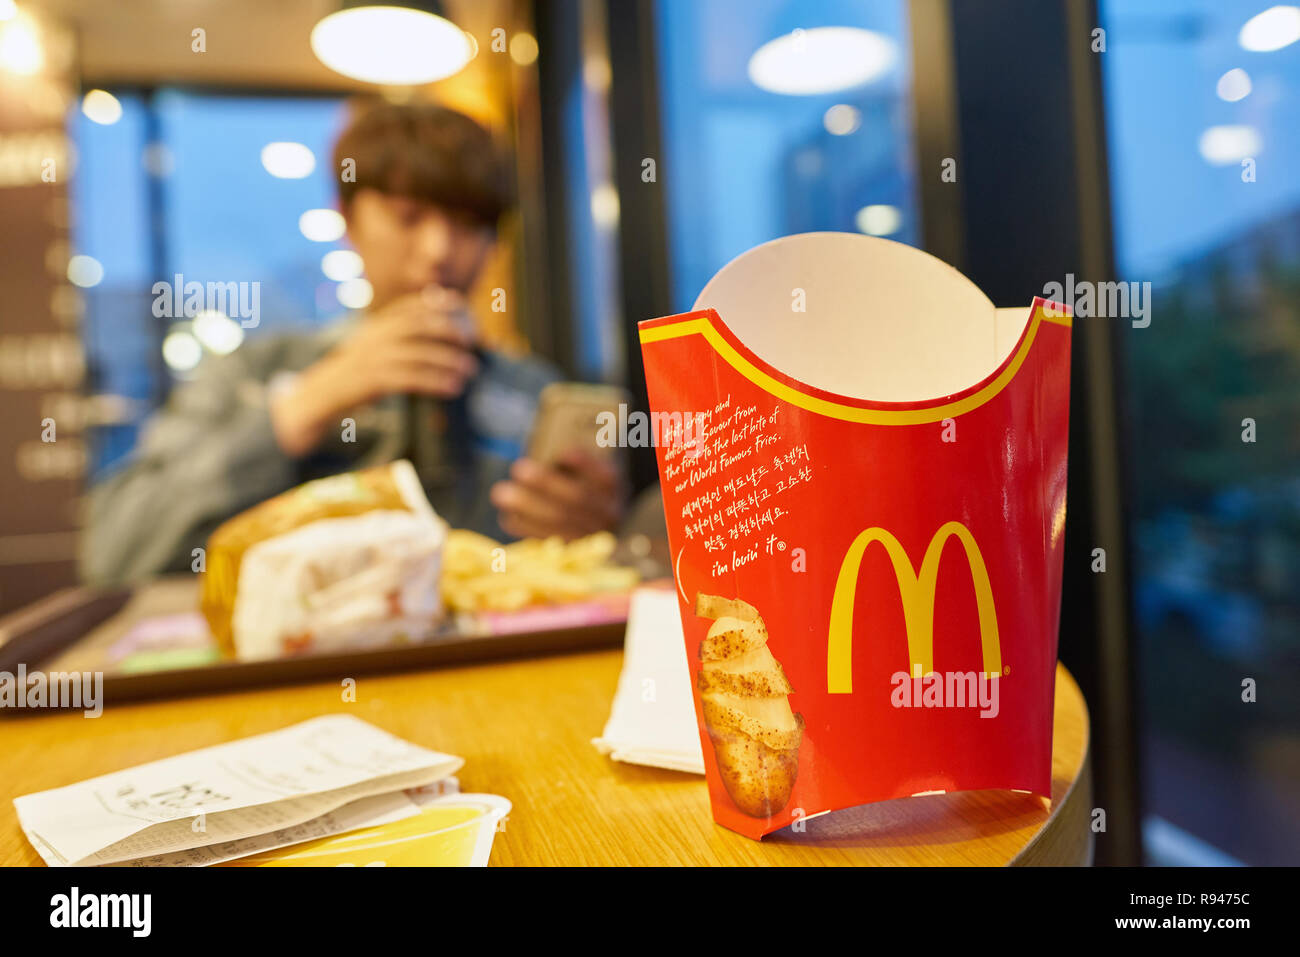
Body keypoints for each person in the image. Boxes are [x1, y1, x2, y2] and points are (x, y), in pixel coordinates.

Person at [80, 102, 627, 586]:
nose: (439, 250)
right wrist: (304, 407)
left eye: (468, 225)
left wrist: (591, 534)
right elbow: (112, 554)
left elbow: (591, 570)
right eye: (407, 217)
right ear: (348, 220)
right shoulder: (256, 373)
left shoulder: (535, 393)